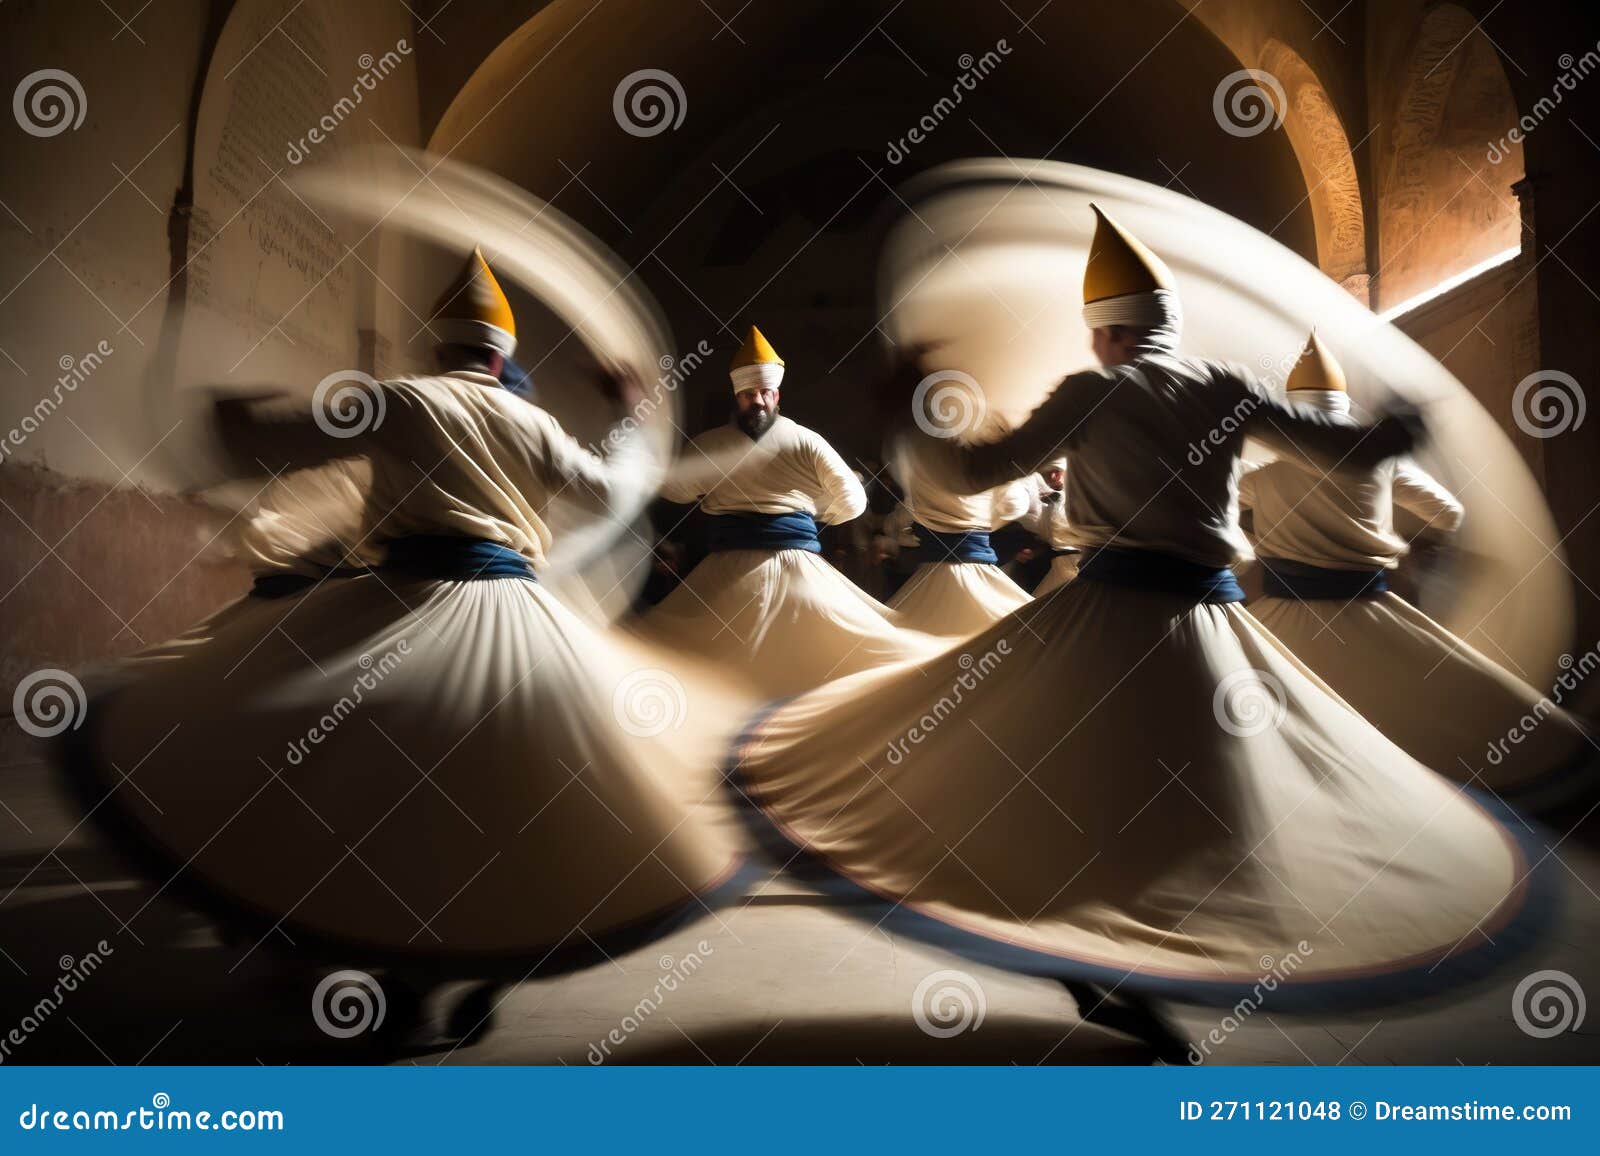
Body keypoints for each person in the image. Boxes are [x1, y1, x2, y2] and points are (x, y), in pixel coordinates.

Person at [728, 206, 1544, 1061]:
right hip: (1209, 625)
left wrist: (911, 413)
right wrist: (1400, 429)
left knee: (1061, 785)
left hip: (1101, 620)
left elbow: (976, 471)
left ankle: (1095, 956)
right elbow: (1349, 452)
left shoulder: (1093, 392)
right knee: (1195, 808)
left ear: (1107, 336)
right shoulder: (1227, 387)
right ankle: (1145, 962)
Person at [58, 248, 747, 1040]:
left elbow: (272, 443)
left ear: (436, 346)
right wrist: (631, 411)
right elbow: (614, 492)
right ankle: (456, 956)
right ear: (501, 357)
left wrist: (229, 415)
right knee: (496, 797)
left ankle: (336, 935)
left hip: (400, 607)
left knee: (343, 771)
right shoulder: (535, 421)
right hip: (516, 620)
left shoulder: (397, 400)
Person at [1239, 331, 1592, 803]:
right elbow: (1449, 513)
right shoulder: (1380, 466)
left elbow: (1215, 509)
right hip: (1371, 613)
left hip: (1283, 624)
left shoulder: (1262, 478)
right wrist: (1414, 551)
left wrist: (1262, 537)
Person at [634, 326, 942, 699]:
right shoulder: (761, 443)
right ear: (738, 397)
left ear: (777, 395)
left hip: (744, 567)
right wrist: (815, 511)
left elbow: (674, 489)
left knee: (723, 656)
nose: (758, 401)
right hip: (773, 565)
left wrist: (799, 513)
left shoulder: (790, 442)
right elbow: (851, 501)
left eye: (764, 393)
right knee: (801, 658)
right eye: (750, 394)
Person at [883, 437, 1034, 639]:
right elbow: (1014, 504)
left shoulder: (918, 456)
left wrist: (917, 533)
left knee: (915, 635)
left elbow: (899, 519)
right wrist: (986, 524)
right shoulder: (985, 458)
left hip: (933, 572)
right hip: (973, 565)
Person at [1019, 457, 1080, 597]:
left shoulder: (1081, 497)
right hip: (1059, 568)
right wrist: (1034, 551)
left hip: (1078, 568)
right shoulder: (1049, 504)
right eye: (1046, 474)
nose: (1052, 477)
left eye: (1057, 472)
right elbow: (1048, 538)